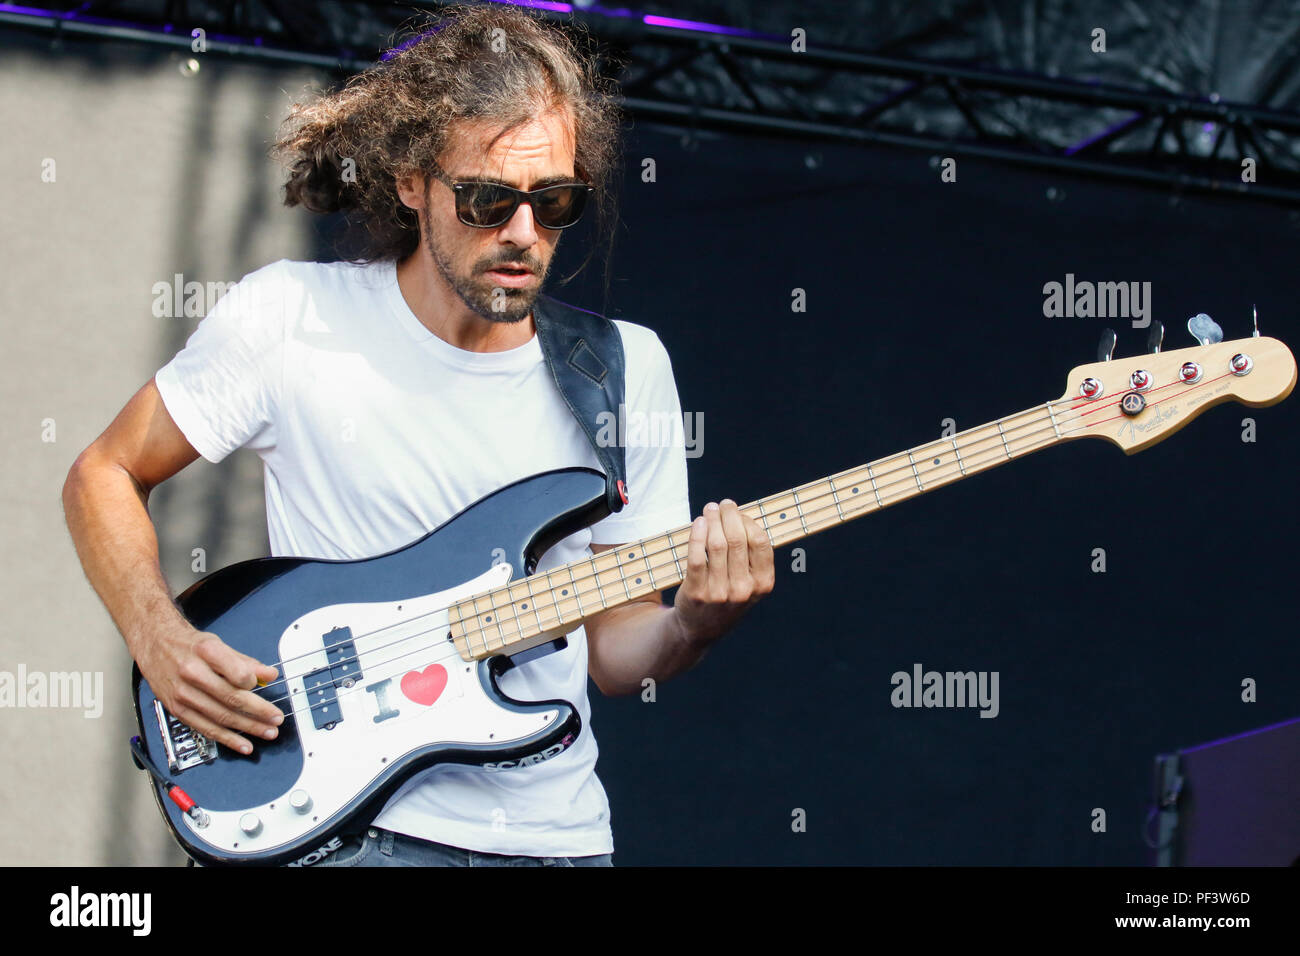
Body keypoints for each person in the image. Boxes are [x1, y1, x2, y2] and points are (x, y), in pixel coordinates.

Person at [61, 3, 774, 868]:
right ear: (412, 181)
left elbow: (619, 653)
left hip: (557, 842)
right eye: (487, 199)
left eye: (554, 201)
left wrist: (695, 624)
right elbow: (103, 471)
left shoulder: (626, 371)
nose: (522, 233)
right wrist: (158, 636)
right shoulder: (292, 316)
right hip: (348, 837)